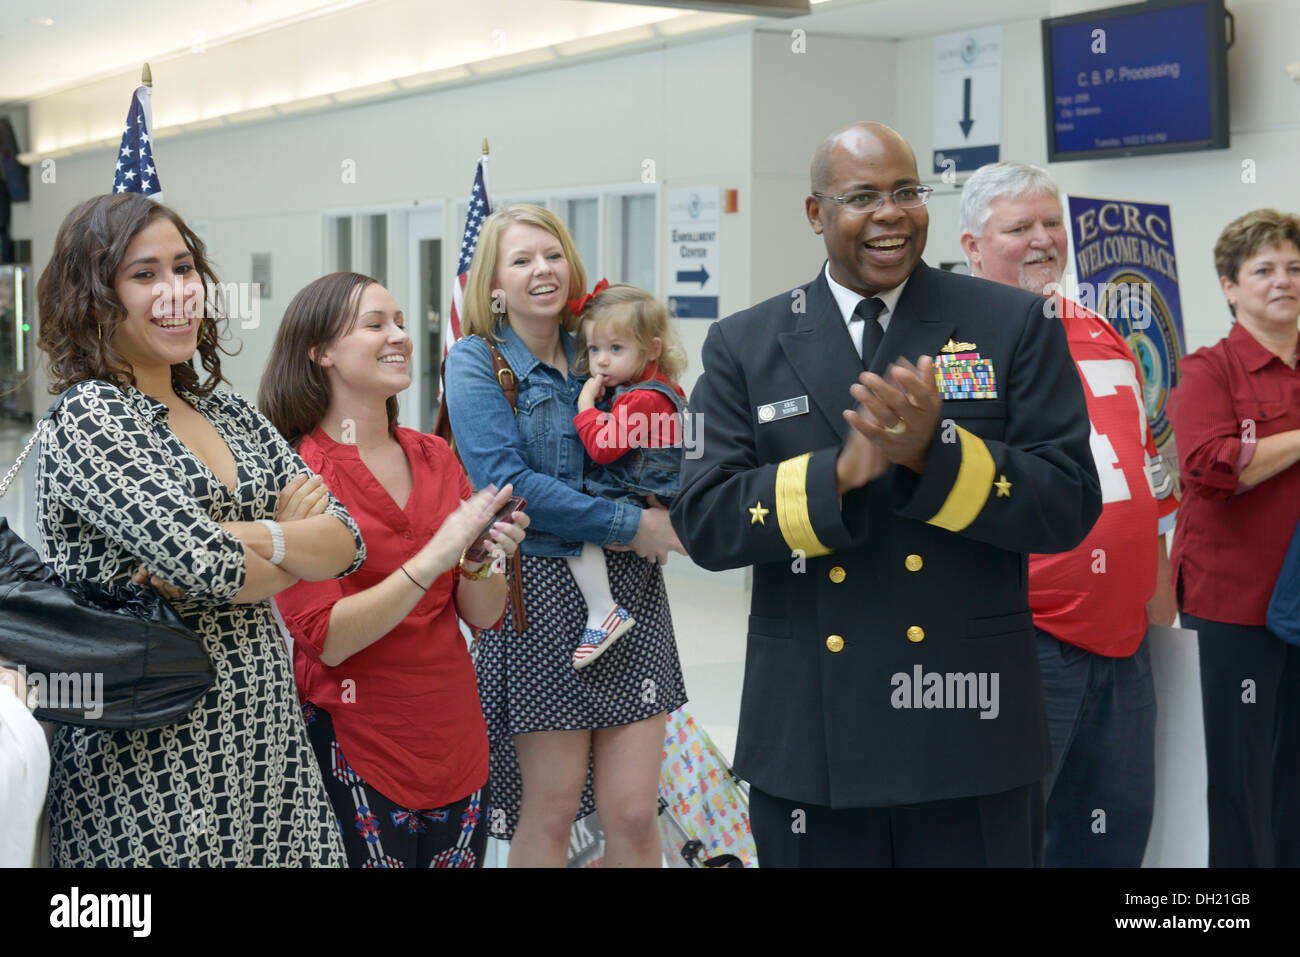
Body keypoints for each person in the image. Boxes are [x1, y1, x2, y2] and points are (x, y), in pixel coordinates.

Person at [671, 122, 1102, 867]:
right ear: (816, 213)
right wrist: (837, 474)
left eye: (907, 191)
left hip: (969, 733)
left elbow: (1067, 500)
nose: (891, 212)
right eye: (863, 196)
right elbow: (704, 518)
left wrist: (936, 455)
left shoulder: (1011, 324)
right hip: (812, 740)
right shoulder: (745, 342)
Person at [31, 193, 366, 866]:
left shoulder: (223, 406)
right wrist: (279, 536)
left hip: (265, 744)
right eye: (144, 274)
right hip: (149, 762)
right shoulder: (92, 415)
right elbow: (210, 566)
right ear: (96, 297)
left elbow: (347, 540)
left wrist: (244, 542)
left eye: (184, 268)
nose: (176, 290)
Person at [443, 204, 687, 867]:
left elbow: (664, 415)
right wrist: (635, 522)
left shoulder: (603, 344)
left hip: (630, 592)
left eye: (551, 255)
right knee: (549, 812)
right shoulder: (477, 360)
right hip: (539, 598)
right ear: (493, 285)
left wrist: (679, 495)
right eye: (520, 260)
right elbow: (506, 480)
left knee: (635, 812)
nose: (541, 270)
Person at [260, 272, 528, 868]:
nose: (400, 336)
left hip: (456, 737)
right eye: (375, 324)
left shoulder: (434, 456)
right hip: (357, 744)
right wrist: (439, 551)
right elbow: (327, 639)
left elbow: (480, 615)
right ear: (321, 352)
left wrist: (484, 560)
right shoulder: (297, 475)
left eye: (401, 322)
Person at [958, 161, 1178, 867]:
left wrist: (1159, 604)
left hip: (1126, 637)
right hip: (1024, 637)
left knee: (1113, 837)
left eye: (1051, 222)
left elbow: (1148, 478)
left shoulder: (1102, 331)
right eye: (1017, 227)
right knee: (1010, 839)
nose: (1042, 239)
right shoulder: (960, 346)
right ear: (973, 246)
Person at [1168, 208, 1300, 867]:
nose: (1284, 281)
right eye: (1265, 270)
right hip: (1234, 607)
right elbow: (1210, 466)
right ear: (1229, 285)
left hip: (1299, 608)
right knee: (1239, 776)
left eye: (1295, 268)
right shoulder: (1207, 372)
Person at [568, 282, 689, 669]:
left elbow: (603, 448)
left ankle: (603, 609)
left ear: (652, 348)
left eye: (616, 349)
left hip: (634, 490)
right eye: (594, 349)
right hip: (659, 490)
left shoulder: (641, 398)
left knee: (573, 521)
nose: (601, 361)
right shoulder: (669, 390)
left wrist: (586, 406)